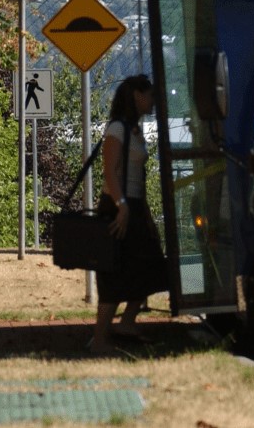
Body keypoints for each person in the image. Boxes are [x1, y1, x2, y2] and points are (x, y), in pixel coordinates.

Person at [91, 74, 168, 353]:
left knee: (152, 267)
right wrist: (122, 206)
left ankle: (126, 322)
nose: (154, 101)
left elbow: (137, 175)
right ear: (137, 95)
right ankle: (99, 340)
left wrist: (143, 213)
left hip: (134, 206)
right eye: (150, 95)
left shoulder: (134, 130)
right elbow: (109, 171)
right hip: (116, 206)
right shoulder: (117, 129)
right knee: (114, 273)